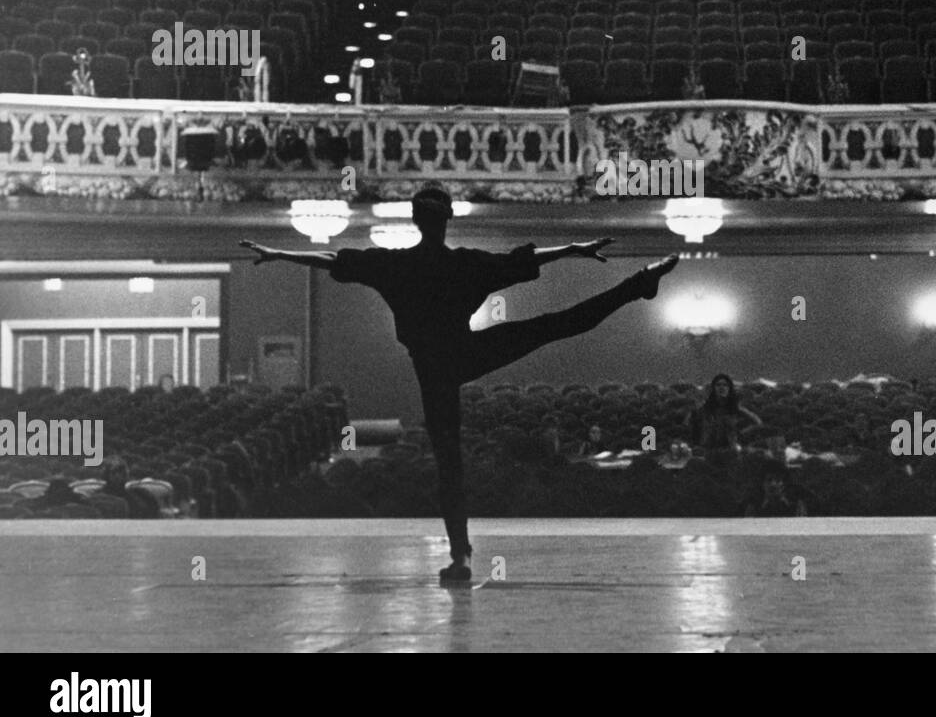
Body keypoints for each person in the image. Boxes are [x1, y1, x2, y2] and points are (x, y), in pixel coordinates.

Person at [241, 185, 678, 583]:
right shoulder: (465, 264)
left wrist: (279, 254)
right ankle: (638, 285)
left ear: (415, 220)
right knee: (555, 324)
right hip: (470, 353)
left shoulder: (394, 265)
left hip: (434, 370)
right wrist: (573, 249)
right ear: (447, 219)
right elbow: (522, 260)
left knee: (449, 462)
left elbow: (333, 261)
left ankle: (461, 556)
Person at [688, 374, 762, 454]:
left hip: (730, 450)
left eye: (725, 385)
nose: (721, 387)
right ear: (713, 388)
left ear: (729, 388)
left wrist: (741, 434)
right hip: (707, 449)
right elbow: (690, 425)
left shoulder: (735, 409)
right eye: (718, 385)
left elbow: (756, 422)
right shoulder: (704, 409)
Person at [743, 462, 808, 517]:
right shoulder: (754, 506)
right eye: (769, 480)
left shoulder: (796, 505)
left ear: (784, 484)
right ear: (762, 484)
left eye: (777, 480)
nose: (773, 484)